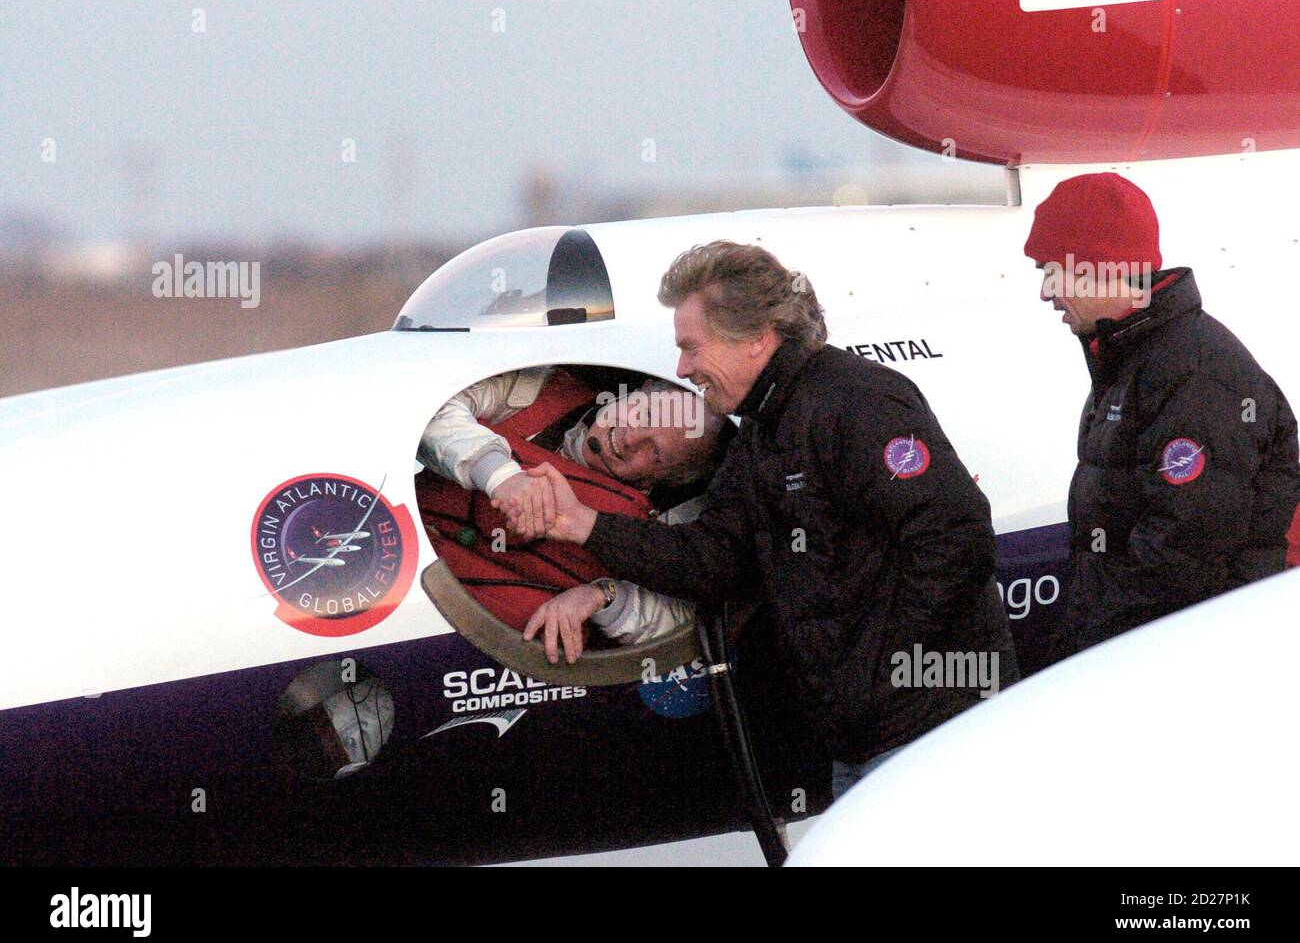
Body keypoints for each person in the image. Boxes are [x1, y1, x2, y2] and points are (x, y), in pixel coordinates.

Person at [508, 241, 1018, 798]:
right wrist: (584, 524)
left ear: (756, 337)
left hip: (930, 733)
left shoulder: (857, 402)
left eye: (691, 348)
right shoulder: (762, 436)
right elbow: (715, 559)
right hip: (863, 739)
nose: (682, 368)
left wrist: (886, 671)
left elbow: (956, 538)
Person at [1024, 172, 1300, 652]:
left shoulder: (1193, 376)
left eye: (1052, 271)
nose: (1045, 293)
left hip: (1182, 659)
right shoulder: (1131, 359)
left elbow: (1182, 558)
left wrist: (1087, 654)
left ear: (1097, 268)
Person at [416, 366, 727, 663]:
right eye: (643, 414)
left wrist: (601, 596)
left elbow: (686, 612)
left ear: (658, 479)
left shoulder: (655, 533)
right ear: (637, 391)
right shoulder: (535, 389)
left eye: (654, 452)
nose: (631, 438)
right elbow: (427, 409)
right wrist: (500, 476)